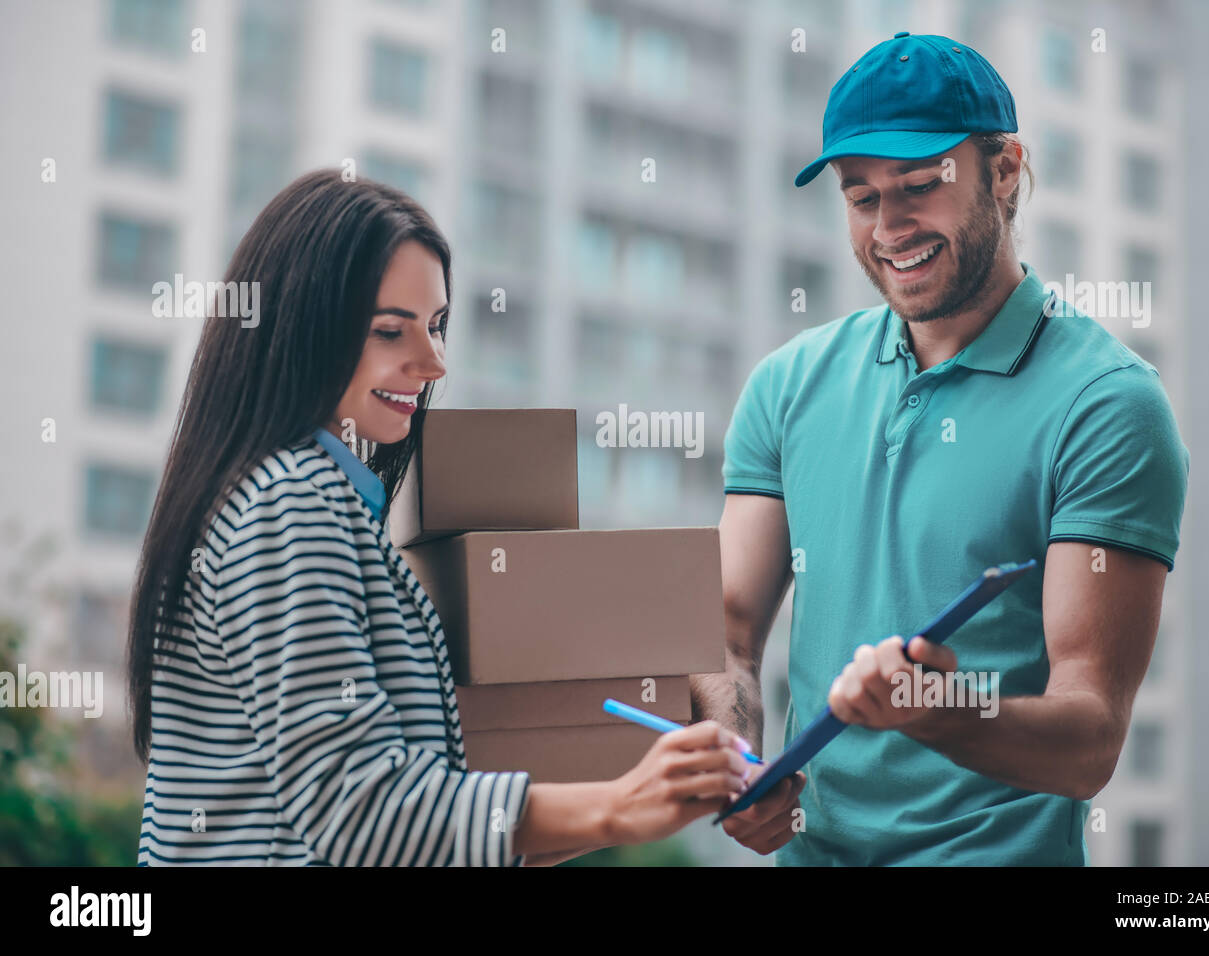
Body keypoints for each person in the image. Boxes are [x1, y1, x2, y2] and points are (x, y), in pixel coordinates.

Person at [129, 169, 755, 866]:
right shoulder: (289, 502)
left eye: (435, 327)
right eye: (391, 332)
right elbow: (357, 809)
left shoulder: (300, 498)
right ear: (303, 329)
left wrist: (627, 797)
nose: (432, 363)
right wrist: (622, 802)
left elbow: (401, 824)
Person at [693, 32, 1189, 864]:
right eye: (861, 198)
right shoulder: (788, 385)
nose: (890, 228)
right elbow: (727, 634)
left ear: (1003, 172)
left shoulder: (1108, 406)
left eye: (920, 186)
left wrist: (935, 709)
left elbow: (1091, 738)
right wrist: (735, 759)